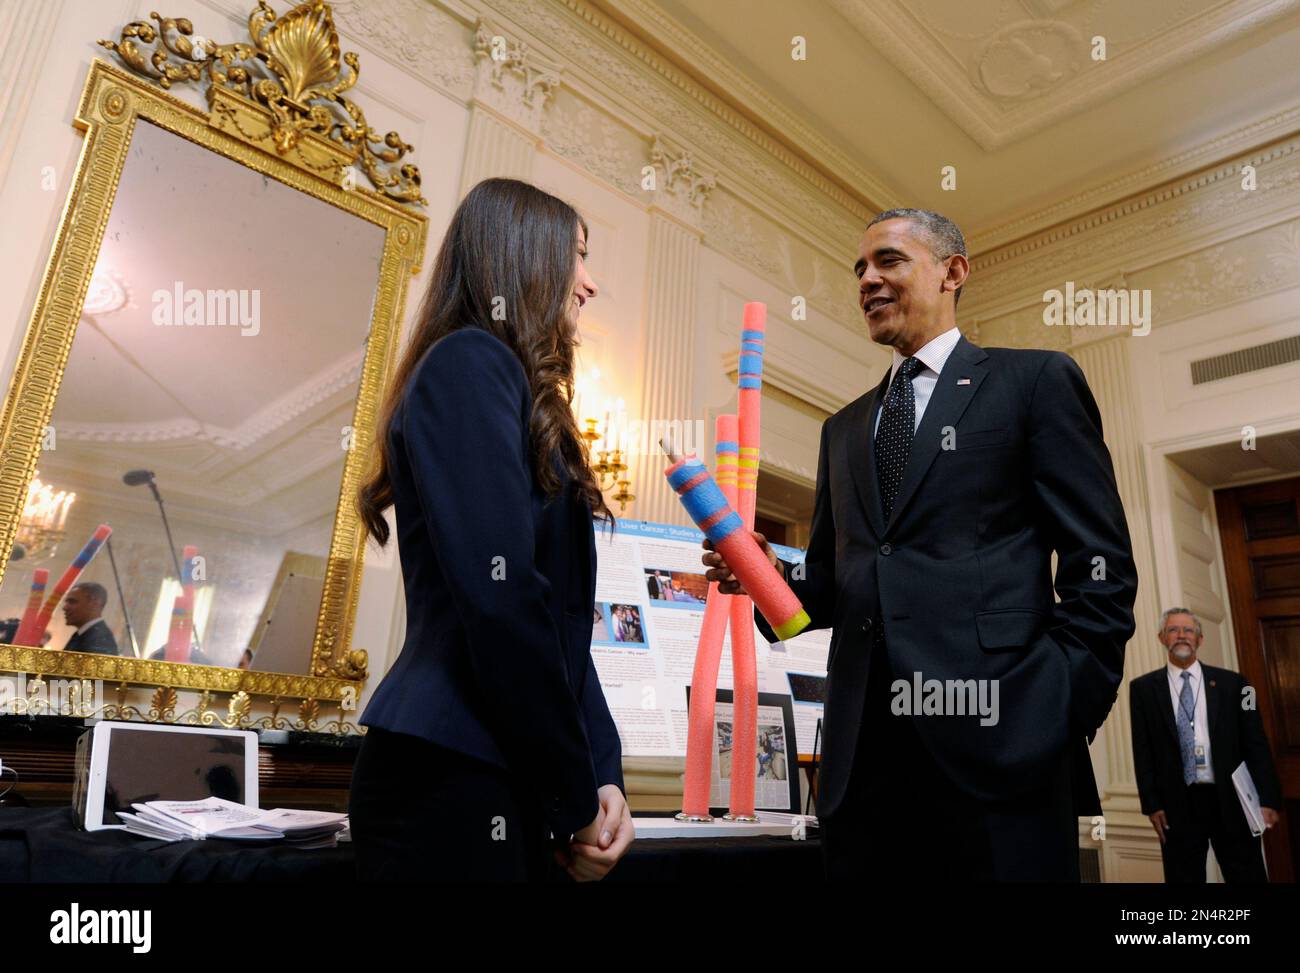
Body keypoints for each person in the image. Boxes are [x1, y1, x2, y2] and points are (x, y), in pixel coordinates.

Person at [704, 208, 1137, 881]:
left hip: (999, 753)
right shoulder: (842, 429)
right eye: (859, 270)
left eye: (888, 261)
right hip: (863, 767)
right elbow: (828, 585)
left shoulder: (1034, 383)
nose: (867, 280)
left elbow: (1100, 568)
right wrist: (756, 570)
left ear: (953, 272)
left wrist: (1055, 708)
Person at [350, 178, 633, 882]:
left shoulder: (512, 389)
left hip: (497, 772)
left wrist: (601, 773)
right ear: (523, 257)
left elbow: (559, 623)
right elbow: (500, 603)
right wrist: (570, 799)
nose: (590, 284)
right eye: (578, 256)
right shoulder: (468, 362)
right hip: (447, 779)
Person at [1130, 608, 1281, 882]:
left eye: (1188, 630)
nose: (1181, 636)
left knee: (1247, 875)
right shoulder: (1142, 689)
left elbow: (1255, 742)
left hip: (1231, 799)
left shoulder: (1235, 684)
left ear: (1200, 639)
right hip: (1177, 803)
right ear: (1162, 638)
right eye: (1173, 630)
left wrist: (1267, 798)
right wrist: (1151, 804)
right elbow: (1143, 750)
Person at [61, 582, 119, 655]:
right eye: (66, 602)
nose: (65, 607)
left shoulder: (100, 641)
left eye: (72, 602)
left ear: (95, 604)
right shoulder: (82, 634)